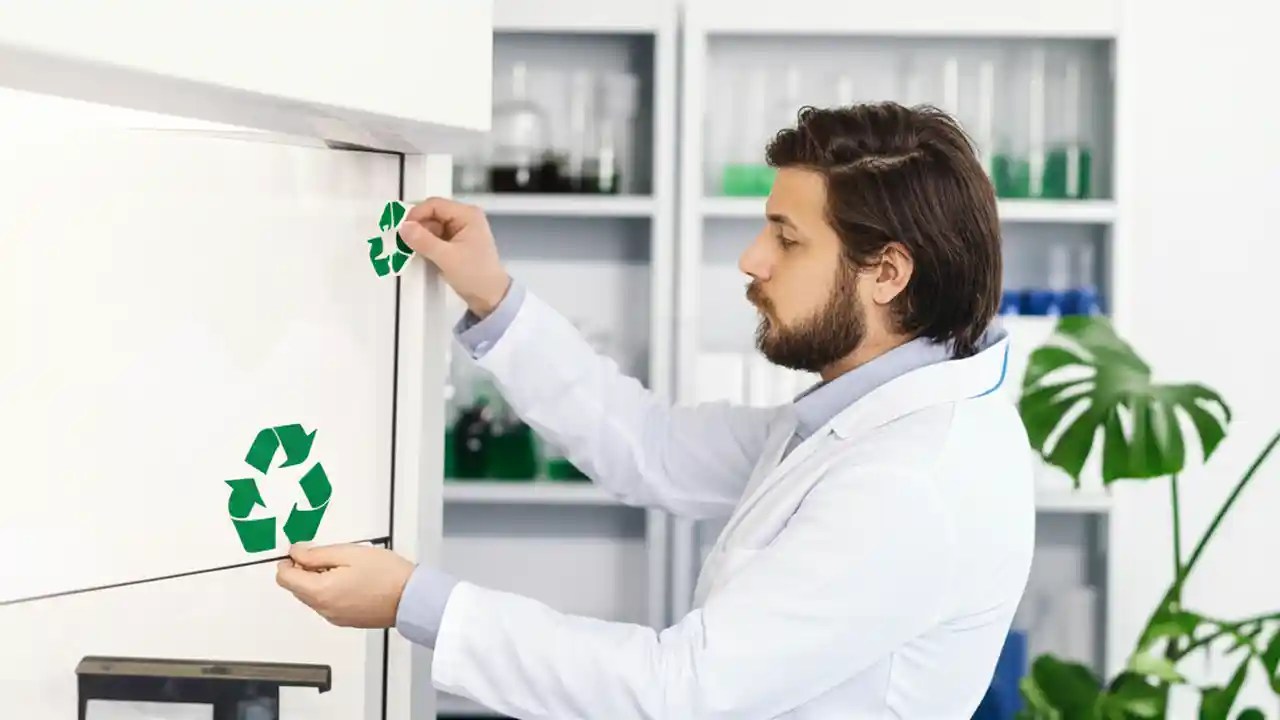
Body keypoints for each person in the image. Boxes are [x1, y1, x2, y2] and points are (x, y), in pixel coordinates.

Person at [277, 102, 1035, 719]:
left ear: (887, 273)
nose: (752, 259)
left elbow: (681, 690)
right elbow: (653, 448)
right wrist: (492, 296)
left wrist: (414, 601)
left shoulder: (911, 481)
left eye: (787, 238)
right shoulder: (866, 414)